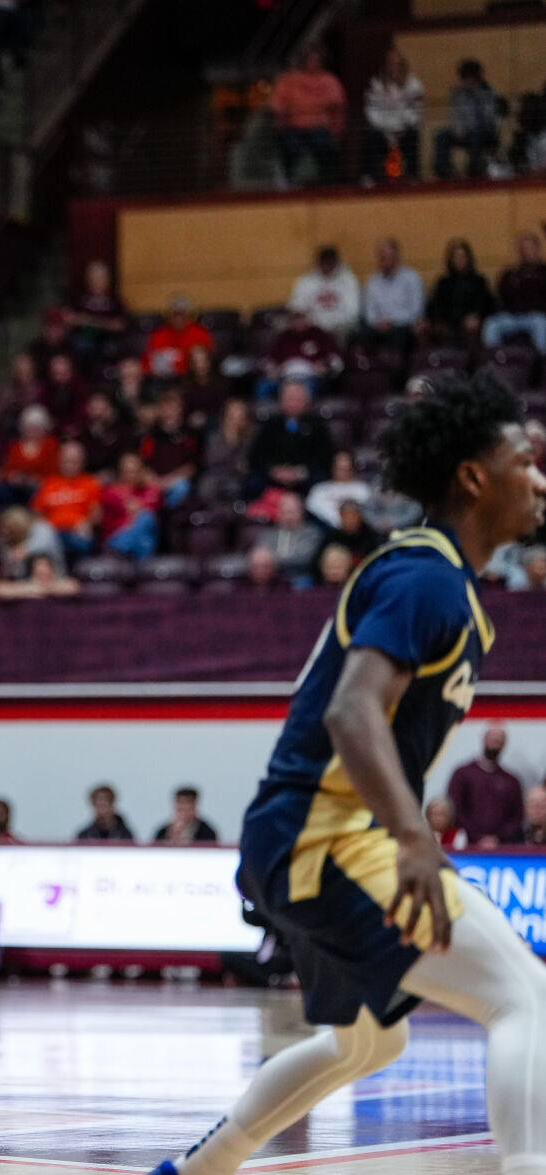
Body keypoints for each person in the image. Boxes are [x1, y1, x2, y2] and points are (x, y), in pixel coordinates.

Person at [148, 372, 546, 1175]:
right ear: (473, 476)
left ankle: (189, 1173)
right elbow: (351, 712)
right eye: (524, 460)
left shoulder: (443, 583)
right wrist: (413, 837)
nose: (538, 477)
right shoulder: (424, 575)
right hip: (320, 838)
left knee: (369, 1038)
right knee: (523, 996)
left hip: (296, 836)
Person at [269, 45, 345, 186]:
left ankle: (328, 182)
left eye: (316, 59)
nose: (313, 62)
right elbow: (276, 105)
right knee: (289, 145)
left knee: (323, 145)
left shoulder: (329, 80)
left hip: (319, 129)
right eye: (309, 59)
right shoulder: (289, 80)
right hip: (292, 129)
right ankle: (286, 179)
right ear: (303, 60)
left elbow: (335, 103)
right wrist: (313, 108)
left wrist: (299, 108)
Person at [446, 725, 524, 848]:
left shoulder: (511, 781)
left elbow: (516, 816)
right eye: (493, 738)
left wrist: (497, 838)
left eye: (500, 741)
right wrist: (477, 837)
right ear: (484, 738)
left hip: (502, 847)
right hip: (466, 845)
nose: (495, 743)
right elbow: (454, 809)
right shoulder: (462, 774)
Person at [433, 58, 505, 180]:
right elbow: (455, 114)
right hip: (463, 132)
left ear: (476, 79)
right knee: (441, 135)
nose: (466, 82)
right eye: (464, 79)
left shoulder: (488, 92)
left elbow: (489, 118)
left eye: (469, 79)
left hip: (483, 132)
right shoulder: (457, 94)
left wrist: (470, 128)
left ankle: (473, 170)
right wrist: (457, 127)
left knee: (476, 135)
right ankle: (443, 170)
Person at [359, 238, 426, 366]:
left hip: (403, 325)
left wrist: (391, 321)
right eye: (383, 258)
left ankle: (399, 375)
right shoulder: (372, 282)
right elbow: (369, 311)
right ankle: (370, 372)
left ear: (397, 257)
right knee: (363, 334)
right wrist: (378, 322)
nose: (386, 262)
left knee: (402, 335)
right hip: (378, 326)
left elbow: (416, 310)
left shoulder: (411, 278)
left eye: (390, 257)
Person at [32, 441, 103, 560]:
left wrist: (87, 524)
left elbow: (96, 514)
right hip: (52, 533)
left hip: (76, 532)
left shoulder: (90, 483)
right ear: (59, 461)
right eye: (66, 461)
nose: (70, 465)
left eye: (74, 461)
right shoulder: (49, 483)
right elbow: (36, 512)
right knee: (40, 539)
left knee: (80, 543)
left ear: (82, 462)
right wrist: (43, 527)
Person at [361, 48, 423, 183]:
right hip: (382, 131)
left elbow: (415, 114)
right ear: (385, 66)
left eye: (398, 64)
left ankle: (413, 176)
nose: (394, 68)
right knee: (369, 136)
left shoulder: (413, 84)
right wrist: (387, 131)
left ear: (403, 65)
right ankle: (367, 177)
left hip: (404, 130)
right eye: (391, 64)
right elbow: (371, 111)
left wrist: (398, 129)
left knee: (413, 135)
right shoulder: (376, 84)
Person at [482, 232, 546, 353]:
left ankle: (542, 364)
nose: (526, 252)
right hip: (511, 316)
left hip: (535, 316)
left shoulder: (543, 272)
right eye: (523, 248)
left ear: (537, 249)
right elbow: (499, 295)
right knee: (491, 324)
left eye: (530, 248)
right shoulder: (511, 274)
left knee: (541, 324)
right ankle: (494, 361)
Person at [427, 237, 496, 347]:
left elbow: (488, 305)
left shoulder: (478, 281)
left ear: (469, 259)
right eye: (456, 257)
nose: (459, 260)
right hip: (448, 322)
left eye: (462, 257)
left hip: (471, 323)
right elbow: (433, 306)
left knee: (473, 328)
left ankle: (472, 362)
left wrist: (476, 317)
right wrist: (438, 320)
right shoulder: (443, 282)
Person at [289, 246, 358, 341]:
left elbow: (352, 311)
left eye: (330, 261)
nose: (327, 264)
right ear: (318, 261)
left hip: (339, 326)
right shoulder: (306, 281)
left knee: (344, 331)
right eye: (324, 261)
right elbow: (298, 306)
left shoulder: (347, 280)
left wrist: (331, 323)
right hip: (312, 326)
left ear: (336, 262)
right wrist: (311, 323)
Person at [154, 786, 219, 844]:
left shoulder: (207, 833)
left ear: (194, 806)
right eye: (180, 804)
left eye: (187, 804)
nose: (183, 807)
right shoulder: (163, 832)